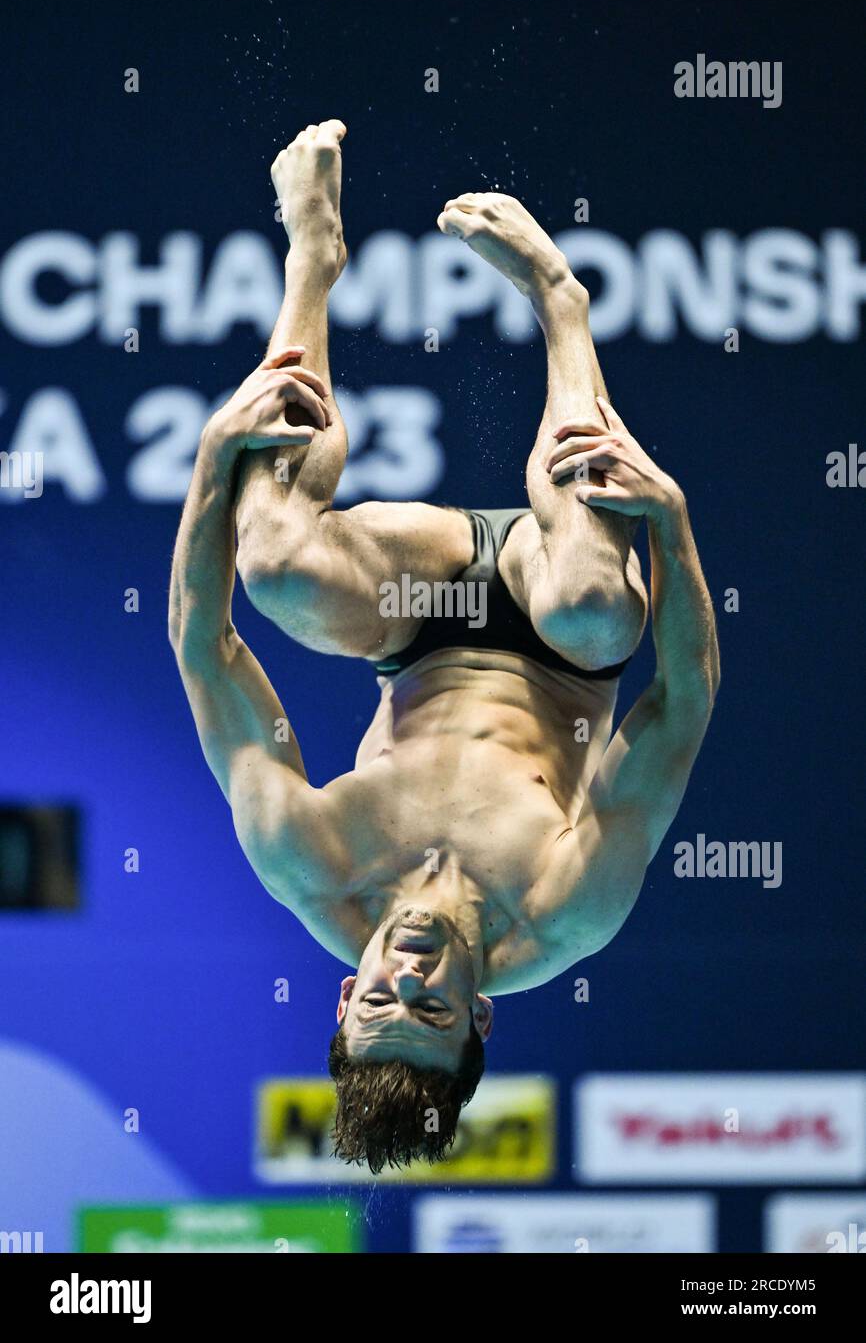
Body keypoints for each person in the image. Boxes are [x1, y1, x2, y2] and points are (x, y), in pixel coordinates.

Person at [169, 120, 719, 1173]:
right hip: (551, 615)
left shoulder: (309, 863)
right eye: (428, 1010)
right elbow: (678, 705)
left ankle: (311, 254)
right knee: (600, 606)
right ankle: (562, 306)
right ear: (479, 1020)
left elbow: (204, 647)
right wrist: (673, 520)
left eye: (379, 997)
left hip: (415, 607)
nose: (407, 977)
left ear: (346, 991)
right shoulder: (566, 909)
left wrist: (212, 457)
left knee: (277, 571)